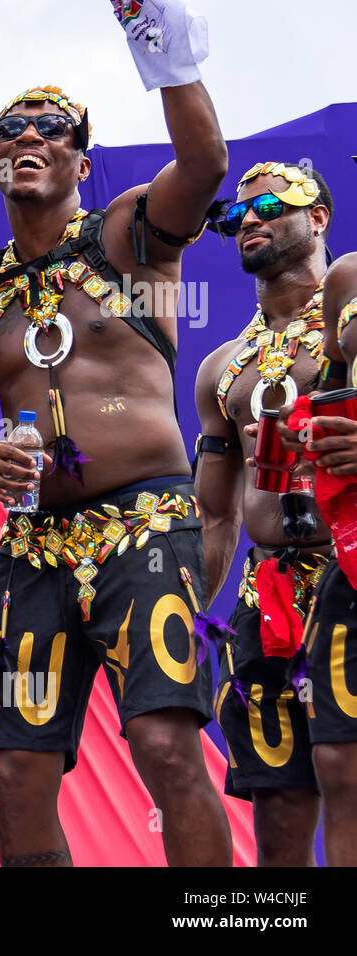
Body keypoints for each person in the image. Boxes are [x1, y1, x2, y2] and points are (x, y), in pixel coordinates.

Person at [0, 0, 232, 865]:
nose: (27, 136)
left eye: (51, 128)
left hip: (144, 526)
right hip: (31, 549)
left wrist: (156, 43)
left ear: (80, 161)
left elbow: (205, 161)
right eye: (10, 130)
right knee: (14, 769)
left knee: (167, 747)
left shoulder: (130, 239)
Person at [194, 162, 335, 865]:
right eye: (234, 216)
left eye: (271, 206)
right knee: (278, 799)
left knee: (349, 775)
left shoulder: (352, 325)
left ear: (319, 218)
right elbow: (215, 517)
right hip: (268, 597)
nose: (248, 220)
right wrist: (185, 618)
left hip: (351, 578)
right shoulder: (222, 369)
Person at [275, 243, 357, 866]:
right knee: (339, 763)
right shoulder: (347, 276)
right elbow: (334, 390)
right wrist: (301, 428)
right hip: (348, 560)